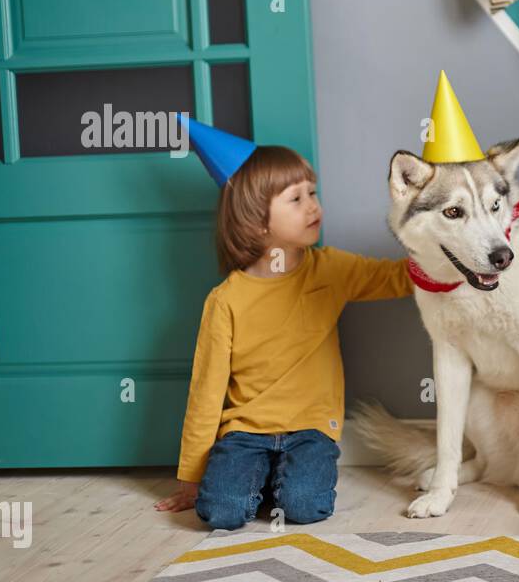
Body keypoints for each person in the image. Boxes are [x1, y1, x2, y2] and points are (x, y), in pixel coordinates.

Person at [153, 139, 412, 528]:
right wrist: (190, 477)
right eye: (296, 199)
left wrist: (452, 257)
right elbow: (206, 392)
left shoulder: (330, 270)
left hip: (311, 429)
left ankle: (278, 484)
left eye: (313, 192)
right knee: (220, 512)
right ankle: (258, 481)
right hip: (245, 433)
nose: (313, 205)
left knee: (305, 506)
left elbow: (395, 278)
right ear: (257, 221)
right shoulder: (225, 301)